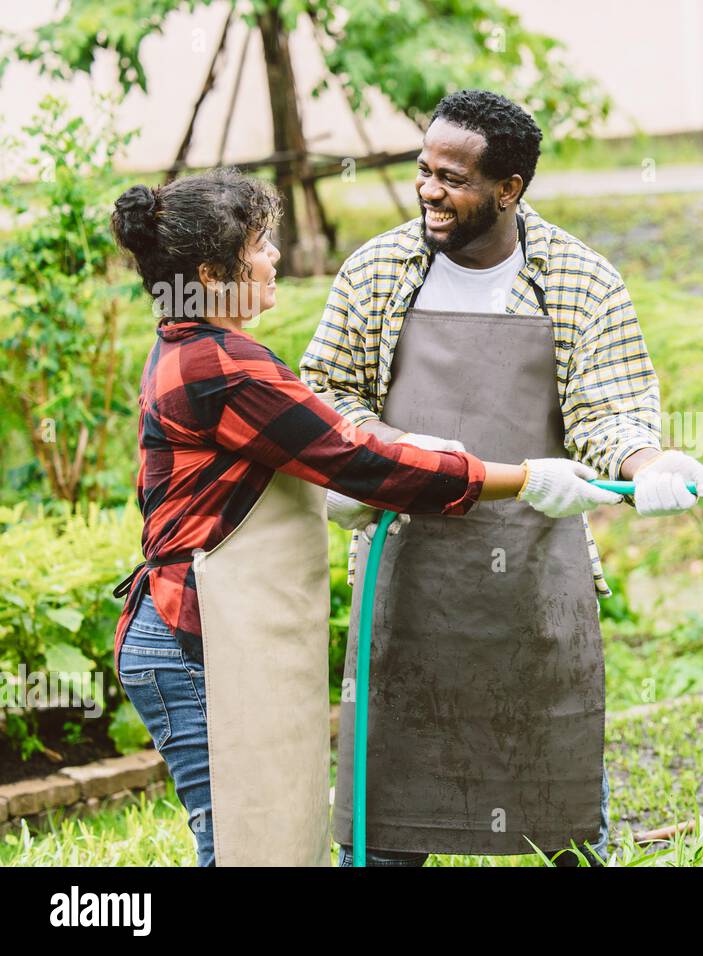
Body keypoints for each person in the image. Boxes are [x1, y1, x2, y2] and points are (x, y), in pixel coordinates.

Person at [109, 168, 619, 866]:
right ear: (211, 270)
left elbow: (327, 451)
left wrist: (393, 454)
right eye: (260, 245)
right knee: (243, 848)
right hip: (195, 638)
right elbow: (359, 460)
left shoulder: (200, 349)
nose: (275, 257)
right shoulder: (221, 367)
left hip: (209, 634)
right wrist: (526, 477)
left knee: (269, 843)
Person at [300, 89, 703, 867]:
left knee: (562, 819)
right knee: (386, 823)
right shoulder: (378, 271)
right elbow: (325, 394)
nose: (429, 189)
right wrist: (399, 449)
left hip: (534, 582)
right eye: (424, 170)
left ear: (509, 189)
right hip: (404, 578)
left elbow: (608, 410)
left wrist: (647, 464)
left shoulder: (580, 281)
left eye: (452, 178)